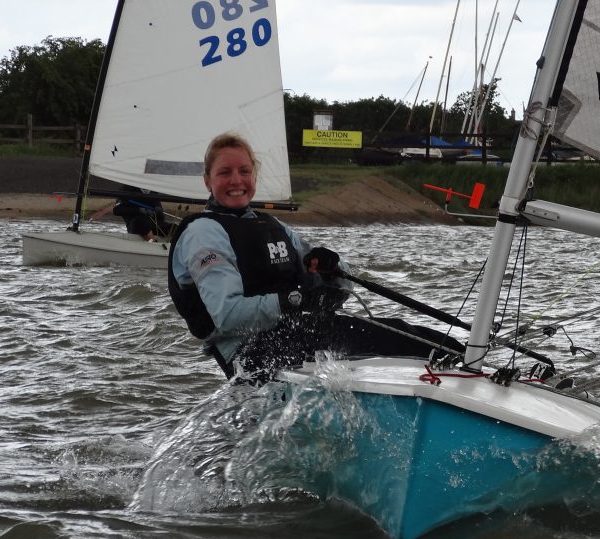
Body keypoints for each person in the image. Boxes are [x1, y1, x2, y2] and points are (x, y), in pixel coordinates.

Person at [168, 131, 460, 384]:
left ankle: (461, 362)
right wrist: (293, 301)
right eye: (225, 173)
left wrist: (333, 269)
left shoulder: (273, 227)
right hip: (251, 355)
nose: (236, 180)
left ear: (255, 175)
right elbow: (229, 315)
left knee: (403, 332)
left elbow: (344, 290)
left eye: (245, 171)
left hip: (293, 338)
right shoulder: (203, 233)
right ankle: (459, 364)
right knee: (393, 339)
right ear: (207, 181)